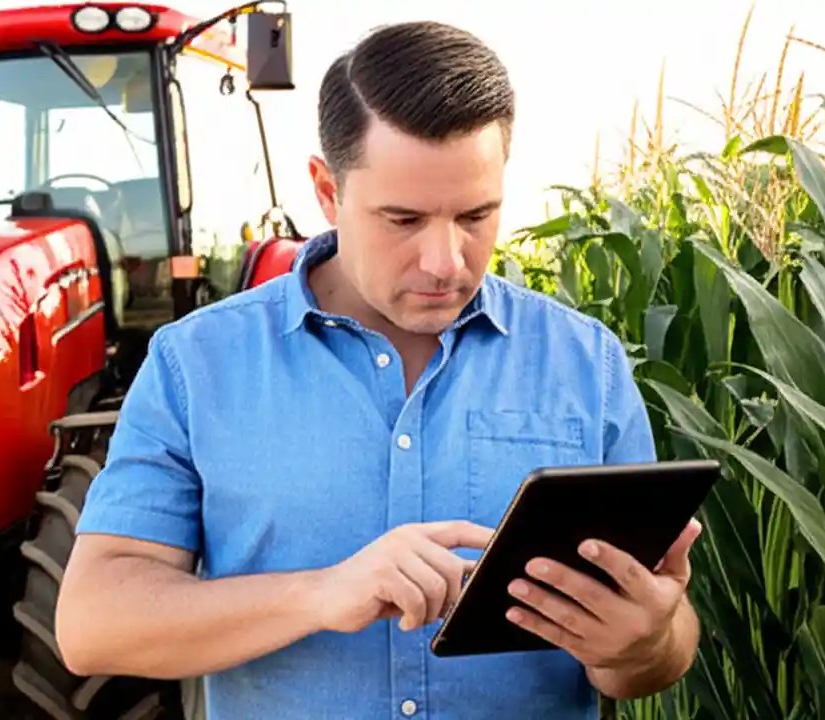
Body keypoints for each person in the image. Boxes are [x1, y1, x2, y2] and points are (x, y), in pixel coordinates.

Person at [56, 19, 703, 720]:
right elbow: (94, 626)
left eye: (476, 216)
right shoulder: (195, 366)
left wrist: (644, 643)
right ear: (326, 192)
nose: (445, 262)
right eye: (403, 220)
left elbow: (661, 653)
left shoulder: (587, 365)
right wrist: (322, 593)